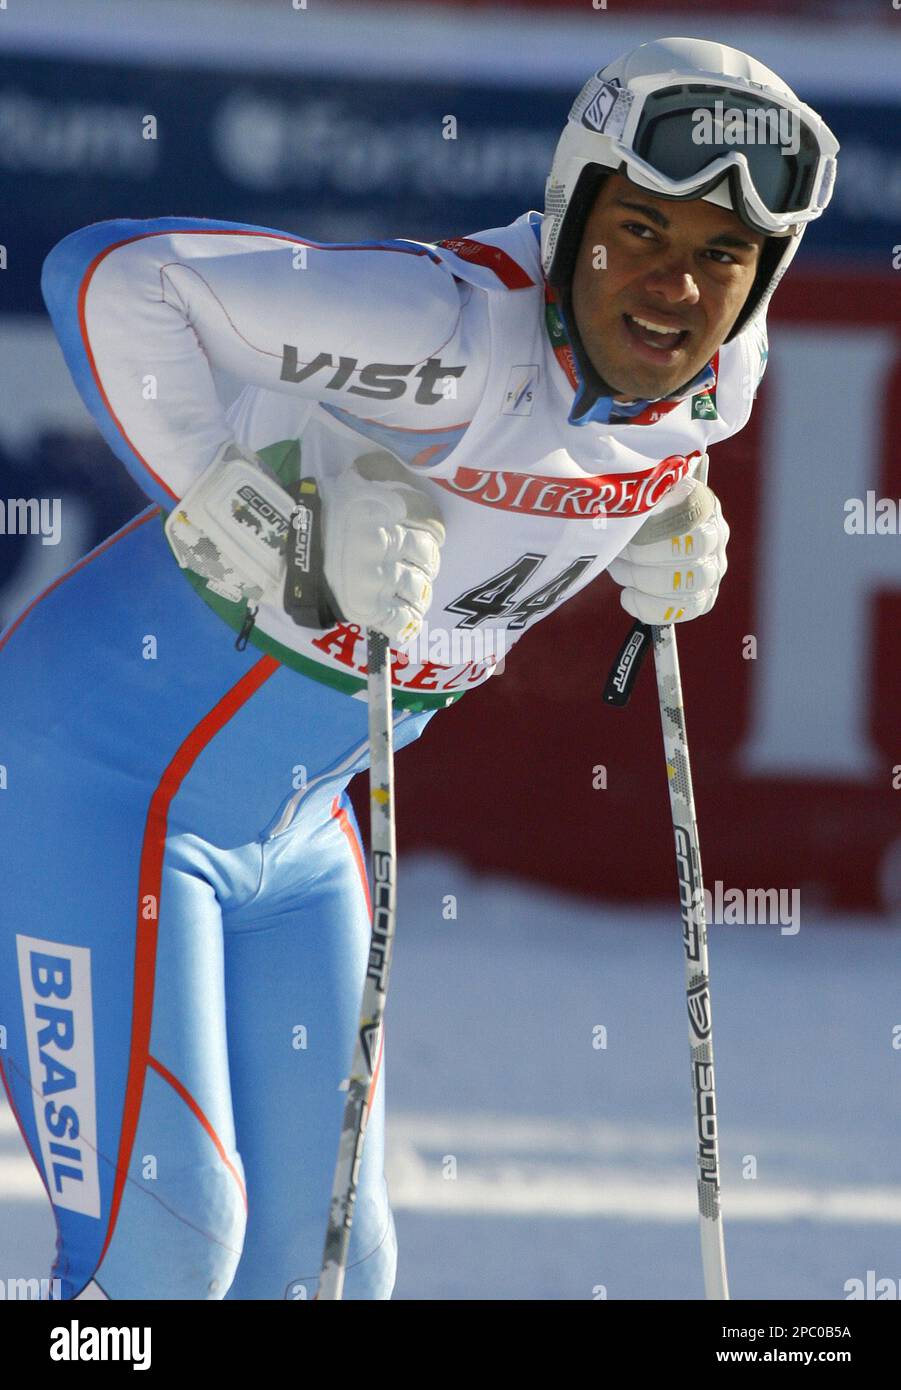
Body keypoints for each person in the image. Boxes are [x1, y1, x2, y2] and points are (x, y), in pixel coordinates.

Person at [0, 36, 837, 1300]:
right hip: (82, 787)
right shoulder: (443, 331)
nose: (673, 287)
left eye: (721, 256)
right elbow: (110, 276)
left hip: (293, 837)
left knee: (326, 1262)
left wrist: (661, 511)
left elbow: (615, 451)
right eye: (640, 232)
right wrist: (244, 502)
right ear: (567, 218)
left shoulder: (717, 382)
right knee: (165, 1249)